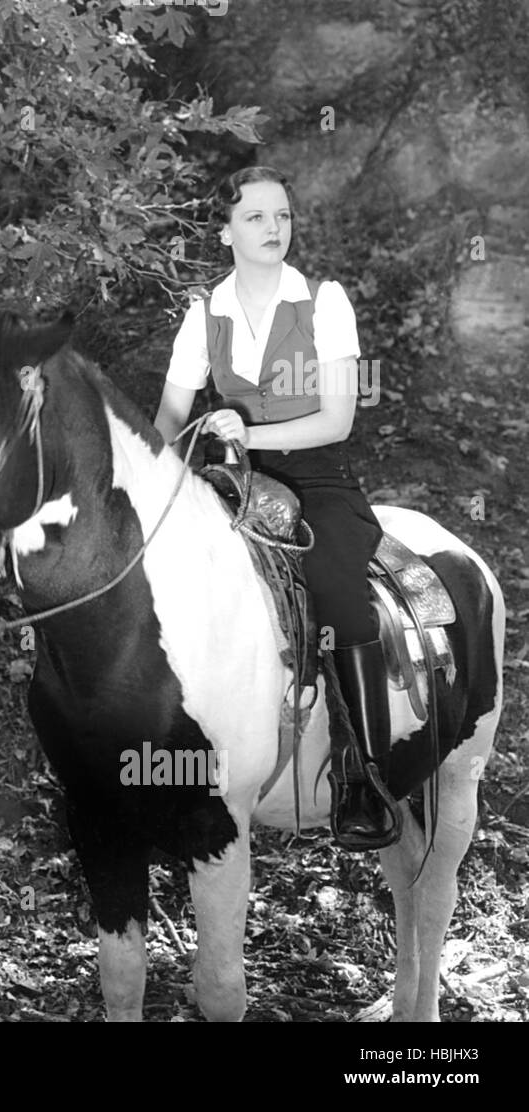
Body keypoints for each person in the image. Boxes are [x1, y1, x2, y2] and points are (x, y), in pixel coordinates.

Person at [152, 165, 398, 850]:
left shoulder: (324, 301)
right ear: (226, 231)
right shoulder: (204, 313)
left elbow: (339, 418)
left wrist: (250, 433)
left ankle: (360, 775)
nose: (273, 229)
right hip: (232, 478)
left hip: (314, 474)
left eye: (282, 216)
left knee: (340, 594)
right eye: (256, 217)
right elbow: (171, 415)